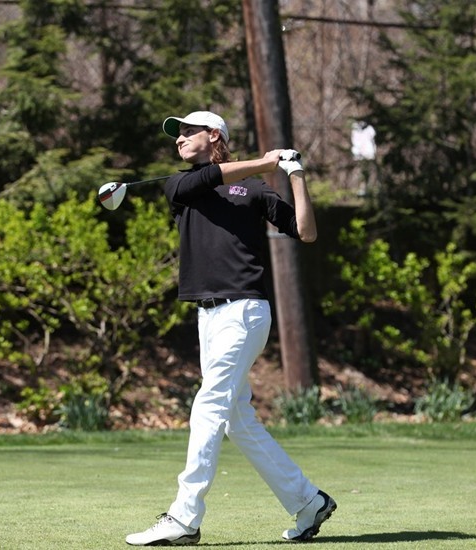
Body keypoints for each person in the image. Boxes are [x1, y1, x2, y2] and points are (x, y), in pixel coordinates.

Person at [125, 111, 336, 546]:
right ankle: (307, 501)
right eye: (177, 134)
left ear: (213, 134)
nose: (179, 139)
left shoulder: (255, 189)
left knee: (208, 406)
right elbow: (214, 178)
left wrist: (294, 174)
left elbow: (305, 232)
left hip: (244, 311)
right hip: (208, 316)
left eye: (187, 131)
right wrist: (267, 160)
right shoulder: (179, 185)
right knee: (237, 421)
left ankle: (184, 518)